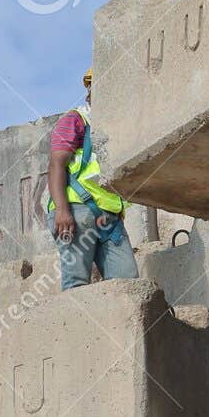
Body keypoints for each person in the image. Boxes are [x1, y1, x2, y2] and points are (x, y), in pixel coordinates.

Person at [47, 69, 139, 289]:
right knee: (76, 283)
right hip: (76, 211)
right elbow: (56, 165)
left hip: (109, 219)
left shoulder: (116, 129)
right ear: (90, 91)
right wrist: (62, 210)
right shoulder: (75, 120)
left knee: (127, 283)